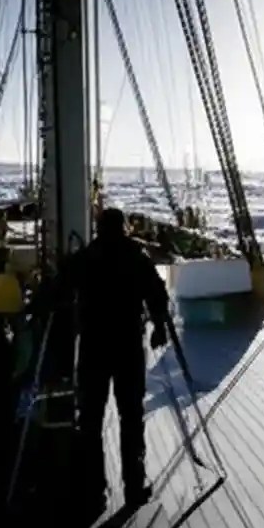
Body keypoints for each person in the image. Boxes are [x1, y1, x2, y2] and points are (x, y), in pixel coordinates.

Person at [67, 207, 171, 509]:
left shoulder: (86, 258)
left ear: (98, 228)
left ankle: (93, 488)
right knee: (131, 416)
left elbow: (60, 286)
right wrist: (159, 326)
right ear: (124, 228)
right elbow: (157, 293)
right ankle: (134, 487)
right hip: (127, 346)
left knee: (90, 419)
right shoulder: (136, 257)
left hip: (93, 347)